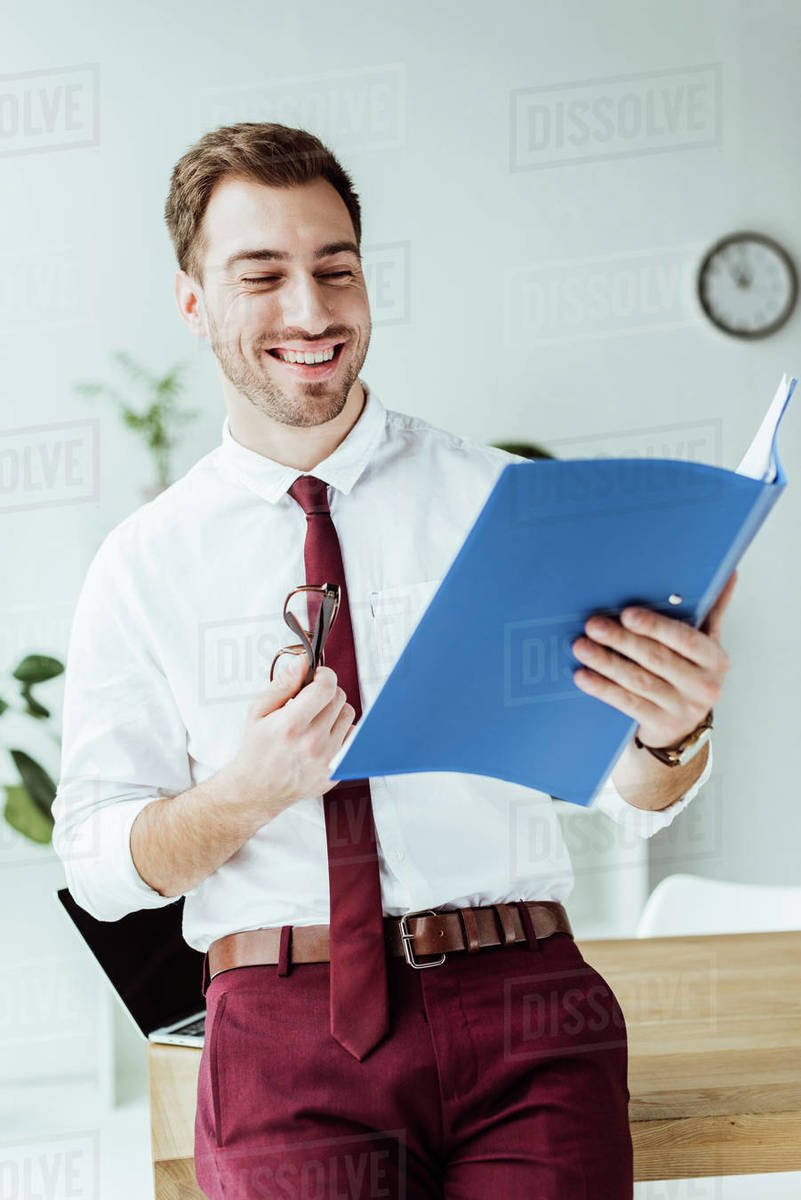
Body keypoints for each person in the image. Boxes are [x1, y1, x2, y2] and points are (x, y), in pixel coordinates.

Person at [52, 122, 734, 1200]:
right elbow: (98, 863)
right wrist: (244, 793)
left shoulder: (504, 504)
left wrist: (672, 731)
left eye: (336, 269)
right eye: (262, 276)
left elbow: (632, 796)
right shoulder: (143, 566)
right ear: (193, 303)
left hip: (526, 1012)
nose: (311, 312)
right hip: (284, 1038)